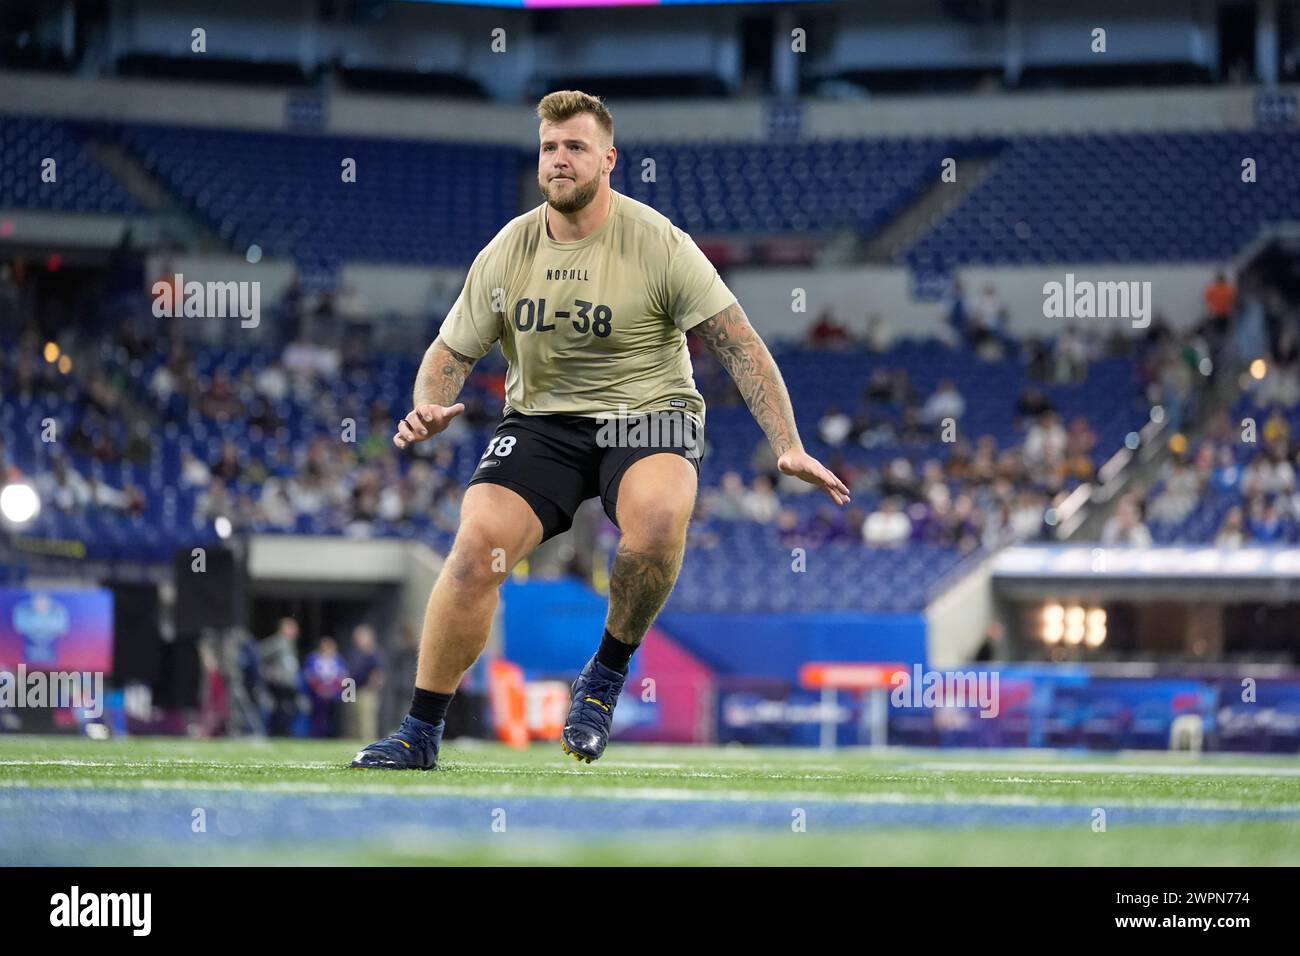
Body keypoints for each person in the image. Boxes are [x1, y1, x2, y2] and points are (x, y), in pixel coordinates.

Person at [351, 90, 848, 771]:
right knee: (474, 554)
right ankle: (418, 732)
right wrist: (431, 403)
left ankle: (604, 677)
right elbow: (450, 352)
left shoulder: (660, 243)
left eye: (575, 147)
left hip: (649, 413)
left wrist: (787, 444)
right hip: (542, 423)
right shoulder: (509, 248)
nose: (559, 160)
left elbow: (739, 345)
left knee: (657, 522)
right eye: (550, 147)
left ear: (608, 160)